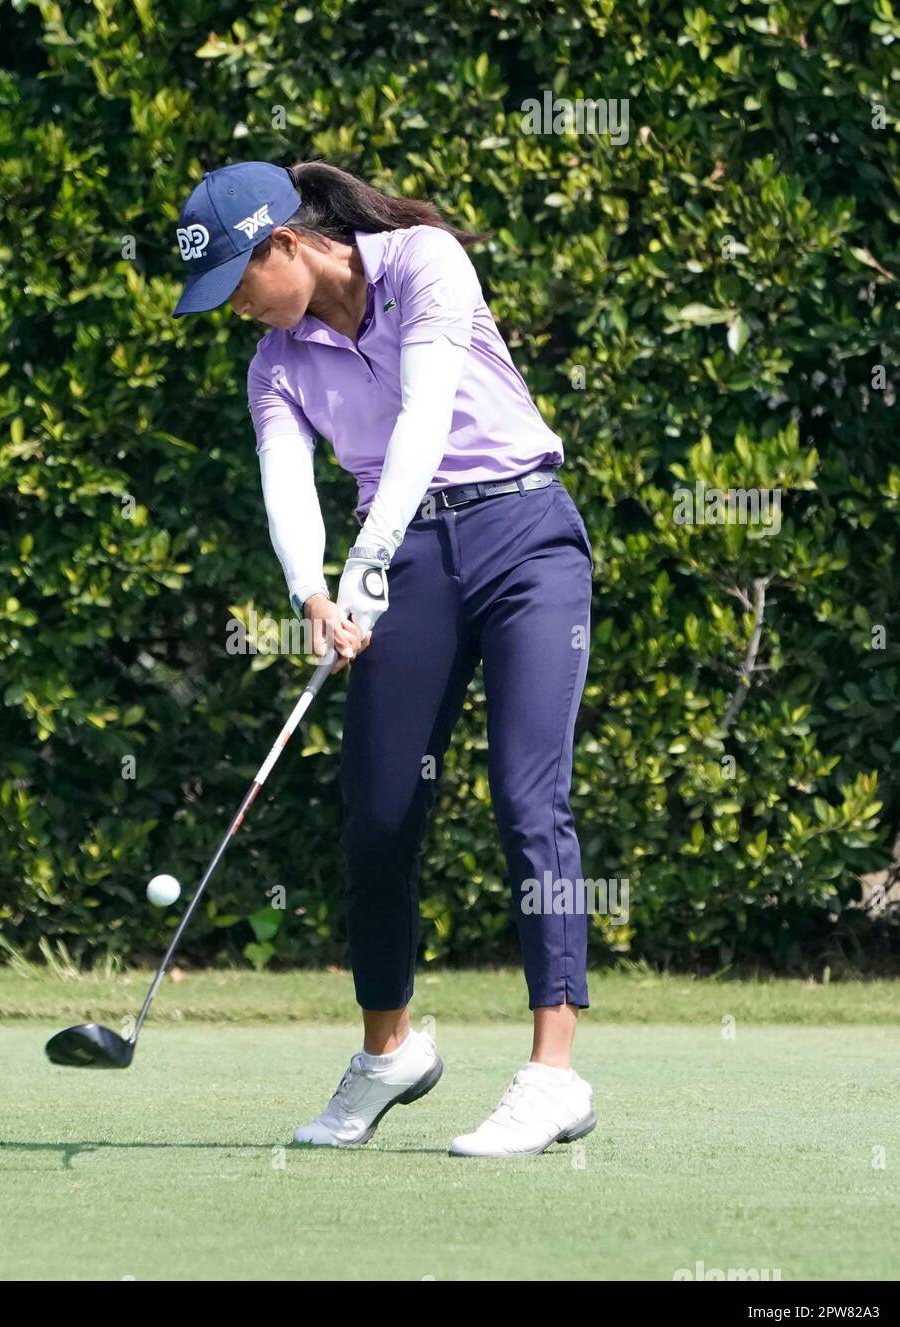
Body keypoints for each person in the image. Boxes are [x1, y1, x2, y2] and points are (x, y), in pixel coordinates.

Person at [172, 159, 597, 1157]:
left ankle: (553, 1075)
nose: (237, 310)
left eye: (238, 283)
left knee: (529, 799)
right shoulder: (275, 362)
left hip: (525, 535)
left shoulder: (425, 263)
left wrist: (365, 554)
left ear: (284, 242)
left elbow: (426, 411)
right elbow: (287, 480)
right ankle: (389, 1050)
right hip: (405, 561)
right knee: (377, 811)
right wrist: (312, 591)